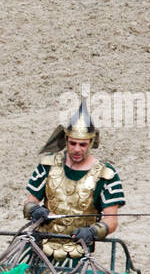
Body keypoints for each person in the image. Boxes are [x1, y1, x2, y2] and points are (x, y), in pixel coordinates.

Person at [23, 99, 125, 262]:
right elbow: (29, 203)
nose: (77, 149)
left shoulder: (106, 175)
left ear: (91, 142)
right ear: (66, 140)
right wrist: (35, 210)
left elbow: (111, 220)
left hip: (78, 251)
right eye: (73, 143)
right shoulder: (48, 165)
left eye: (83, 144)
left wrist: (93, 231)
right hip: (41, 246)